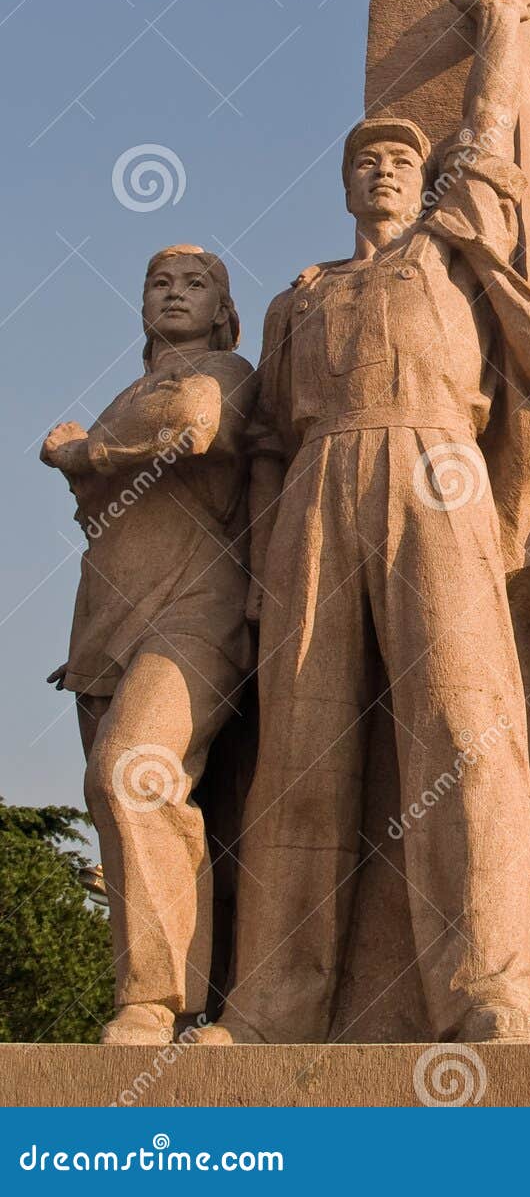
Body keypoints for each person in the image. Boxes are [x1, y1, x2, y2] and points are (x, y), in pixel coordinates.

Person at [201, 0, 530, 1046]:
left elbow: (487, 153)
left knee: (464, 723)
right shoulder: (300, 296)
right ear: (344, 182)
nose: (384, 170)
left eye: (403, 160)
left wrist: (503, 40)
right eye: (366, 160)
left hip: (438, 464)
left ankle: (494, 989)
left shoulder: (453, 251)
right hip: (319, 481)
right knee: (300, 748)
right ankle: (272, 1003)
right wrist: (263, 569)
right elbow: (267, 445)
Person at [41, 246, 254, 1045]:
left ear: (222, 310)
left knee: (131, 772)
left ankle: (153, 999)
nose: (174, 294)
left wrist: (82, 453)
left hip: (197, 608)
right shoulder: (127, 394)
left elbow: (195, 428)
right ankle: (184, 1001)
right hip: (106, 623)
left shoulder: (228, 372)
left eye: (195, 285)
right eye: (159, 284)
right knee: (122, 801)